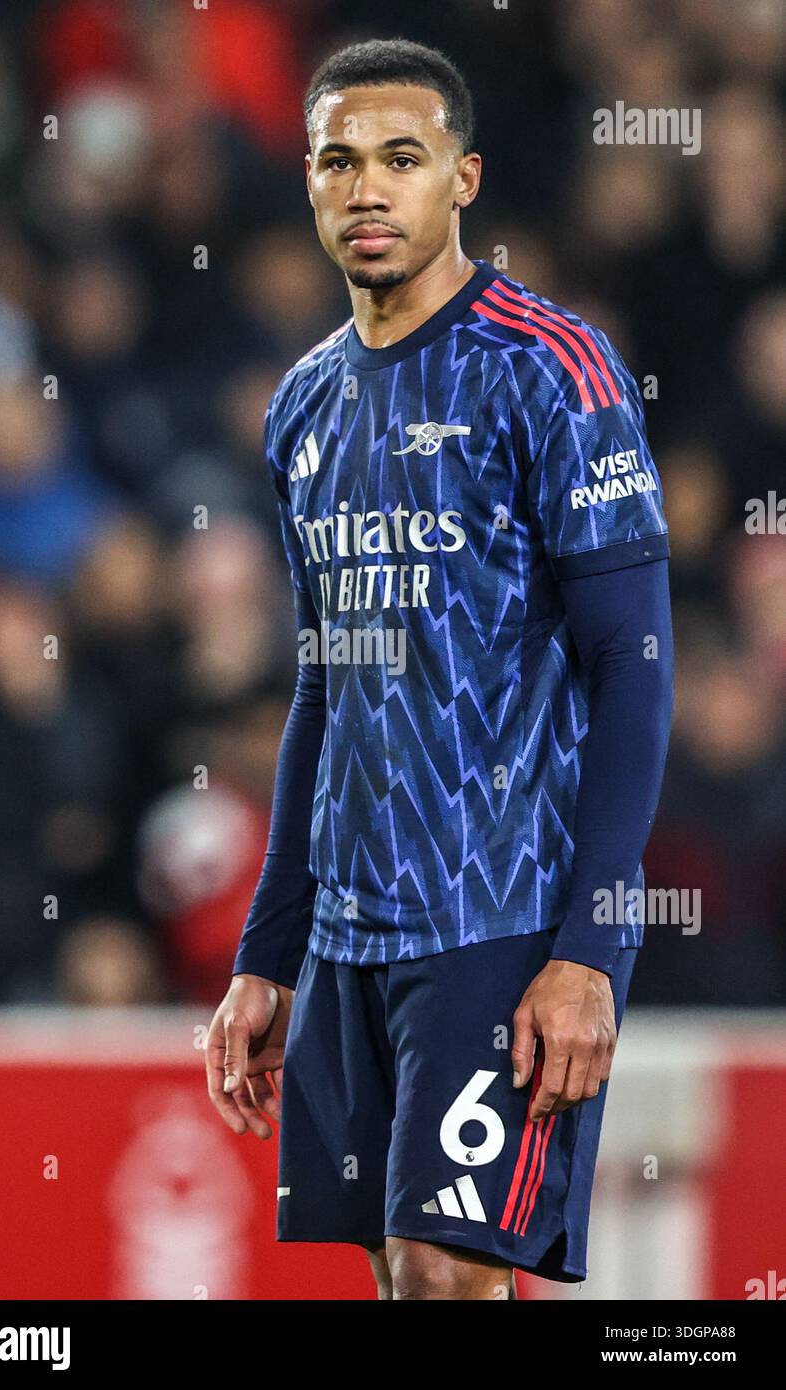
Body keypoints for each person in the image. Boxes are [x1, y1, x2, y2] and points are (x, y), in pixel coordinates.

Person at [206, 38, 674, 1301]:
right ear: (306, 183)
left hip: (503, 916)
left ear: (462, 178)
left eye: (400, 160)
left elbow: (634, 669)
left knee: (442, 1273)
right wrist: (270, 949)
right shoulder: (302, 404)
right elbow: (324, 687)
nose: (368, 189)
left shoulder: (550, 369)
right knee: (404, 1279)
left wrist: (593, 949)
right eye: (339, 161)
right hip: (354, 931)